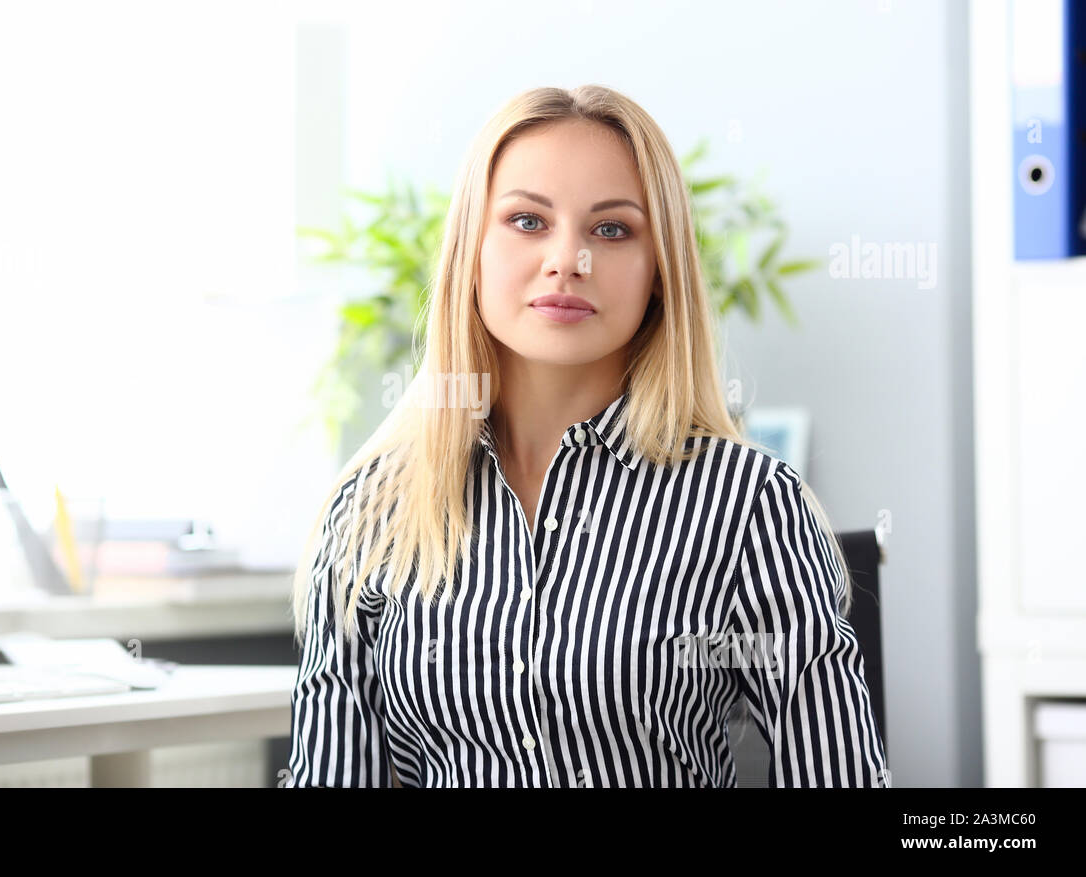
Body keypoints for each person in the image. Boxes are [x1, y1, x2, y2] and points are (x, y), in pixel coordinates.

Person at [285, 84, 889, 788]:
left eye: (611, 229)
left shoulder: (749, 507)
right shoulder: (371, 510)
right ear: (470, 252)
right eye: (526, 220)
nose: (567, 258)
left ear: (659, 273)